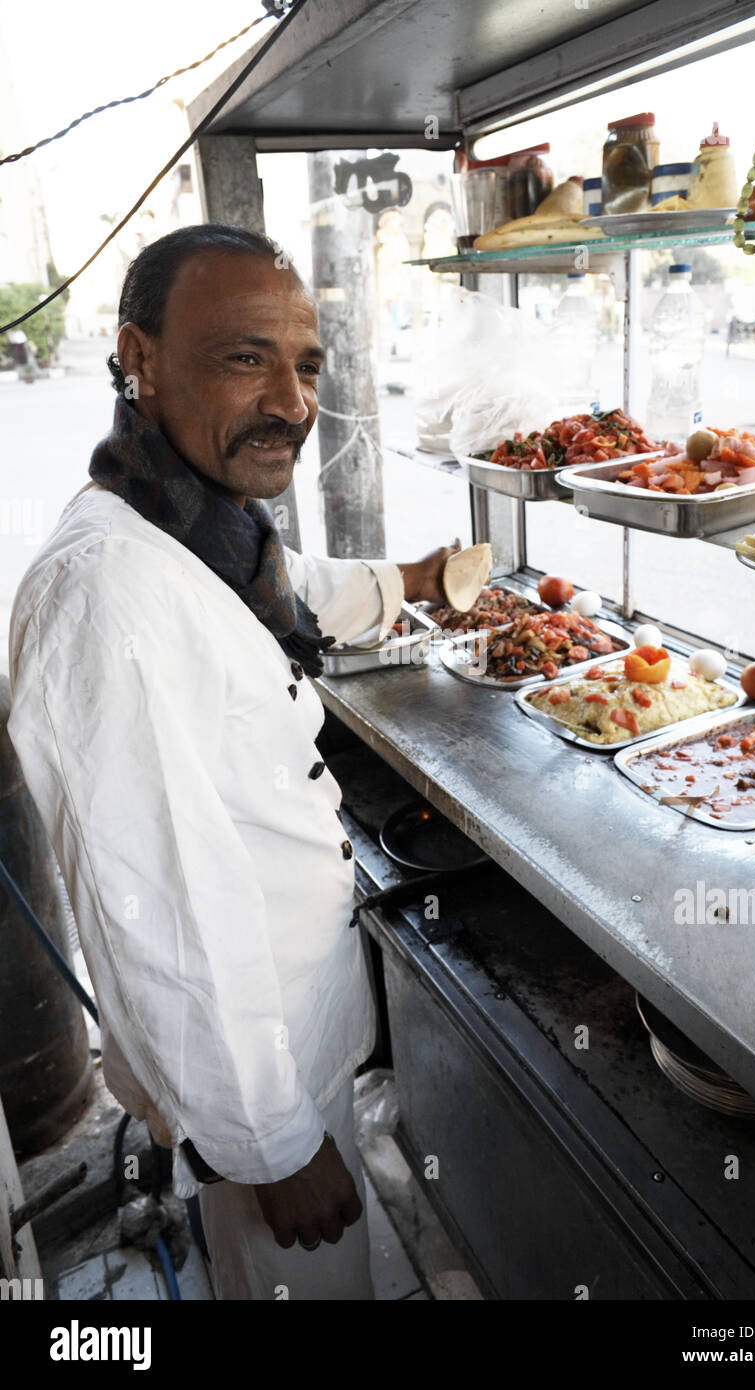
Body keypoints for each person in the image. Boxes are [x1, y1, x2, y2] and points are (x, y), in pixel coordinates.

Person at [7, 224, 461, 1300]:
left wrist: (418, 580)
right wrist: (269, 1144)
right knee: (303, 1276)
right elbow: (156, 904)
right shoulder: (103, 594)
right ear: (142, 356)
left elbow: (295, 582)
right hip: (248, 1058)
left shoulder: (191, 521)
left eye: (306, 365)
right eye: (246, 358)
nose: (294, 404)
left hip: (283, 1020)